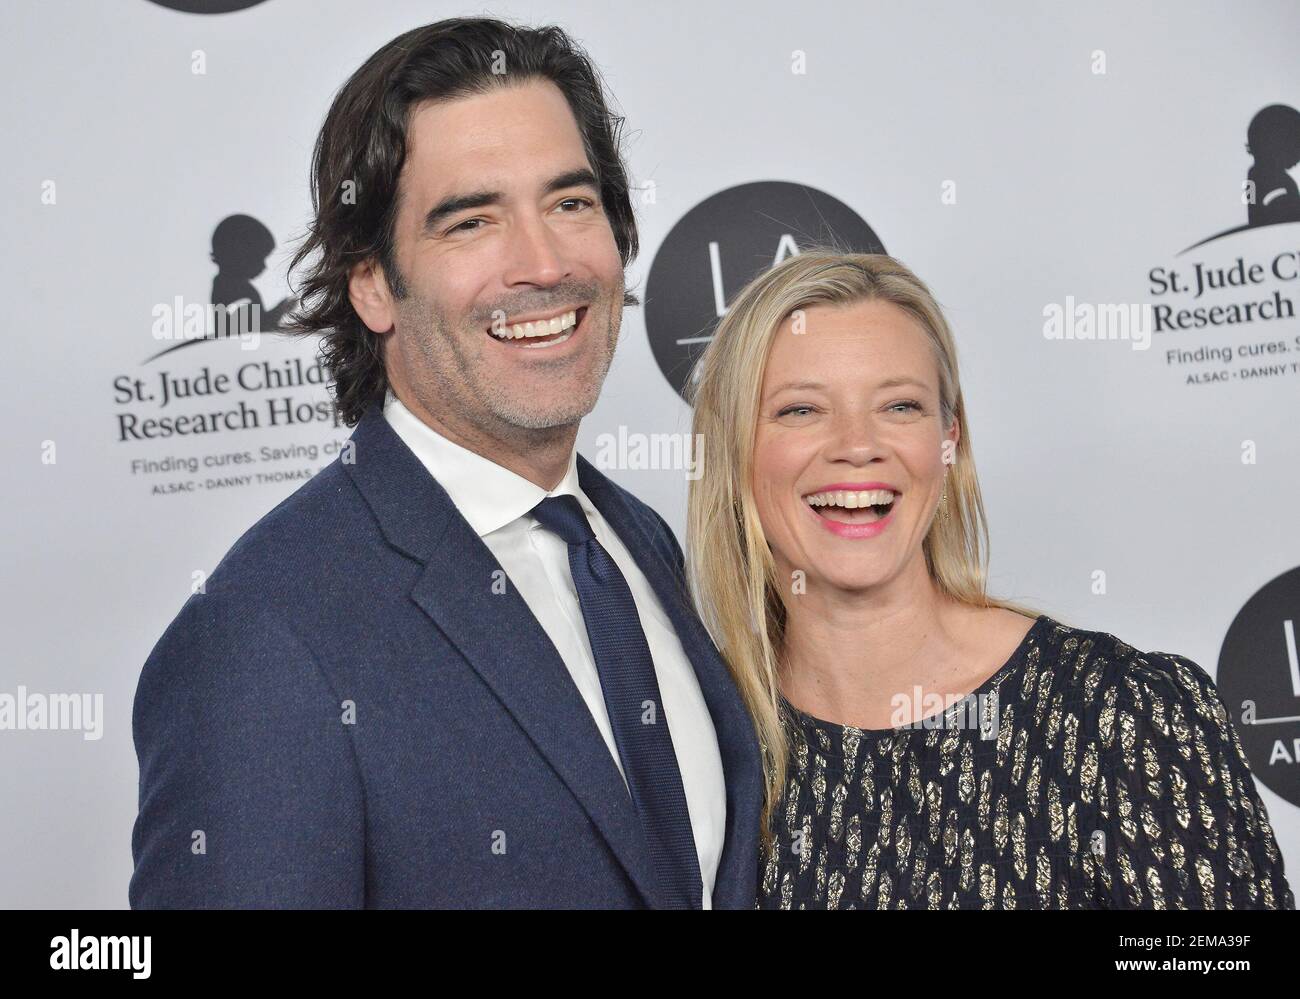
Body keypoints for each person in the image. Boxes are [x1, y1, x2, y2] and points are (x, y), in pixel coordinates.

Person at [129, 17, 762, 909]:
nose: (542, 262)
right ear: (373, 284)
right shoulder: (261, 639)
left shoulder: (639, 543)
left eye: (571, 203)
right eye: (471, 221)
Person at [684, 249, 1294, 909]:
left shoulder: (1122, 716)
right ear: (735, 450)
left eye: (899, 406)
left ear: (949, 442)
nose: (857, 445)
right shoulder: (695, 746)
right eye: (801, 410)